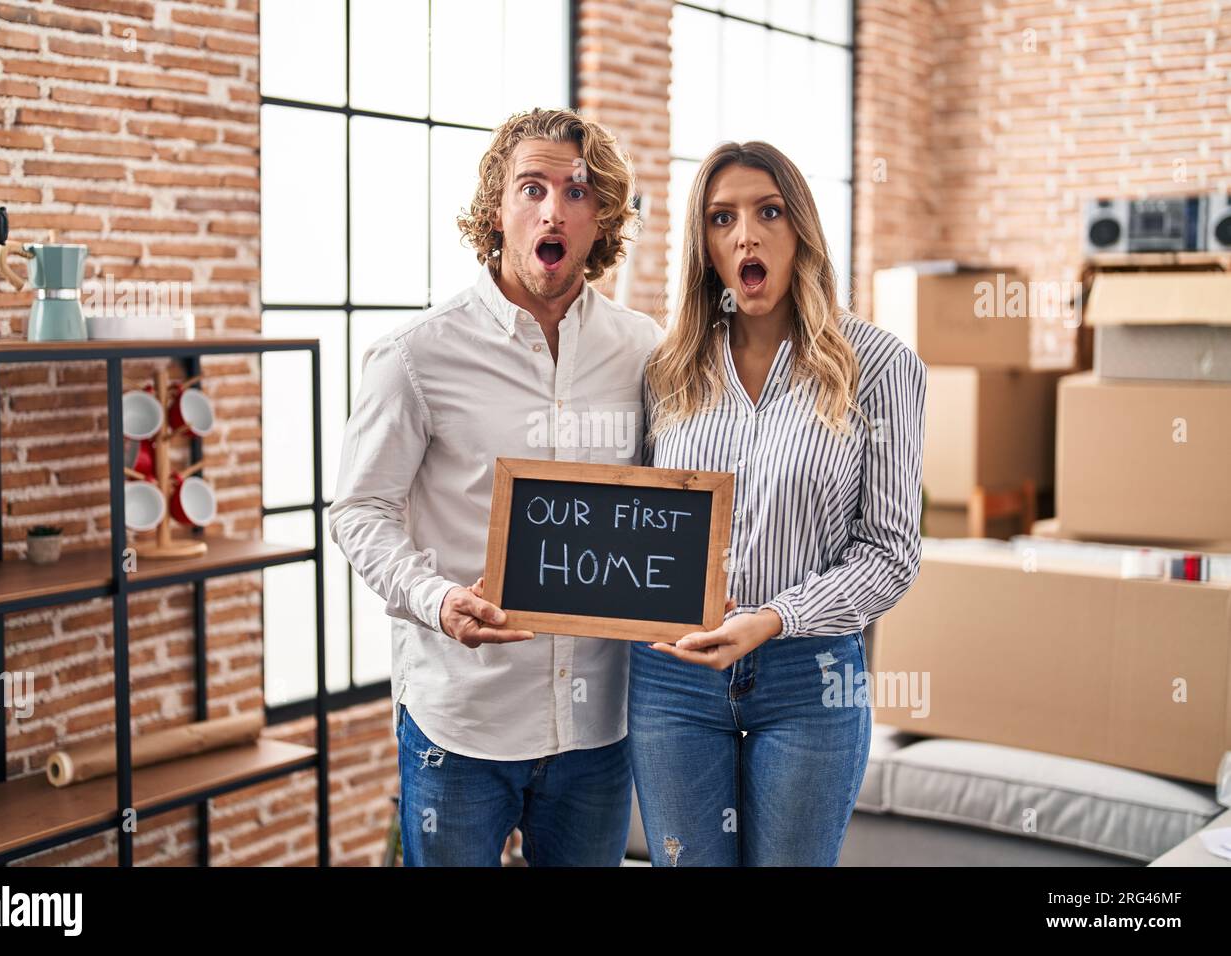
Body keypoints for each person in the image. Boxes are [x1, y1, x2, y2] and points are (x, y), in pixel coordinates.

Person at [329, 108, 662, 866]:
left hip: (596, 728)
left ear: (601, 215)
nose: (553, 209)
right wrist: (437, 599)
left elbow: (662, 505)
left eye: (577, 192)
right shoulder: (416, 355)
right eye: (531, 187)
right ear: (496, 209)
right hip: (461, 718)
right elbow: (359, 509)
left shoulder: (642, 350)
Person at [630, 141, 925, 867]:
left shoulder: (881, 366)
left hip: (812, 675)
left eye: (768, 212)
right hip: (675, 676)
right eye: (721, 218)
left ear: (802, 231)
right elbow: (636, 522)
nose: (746, 236)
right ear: (704, 246)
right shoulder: (666, 371)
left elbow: (890, 552)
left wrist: (773, 618)